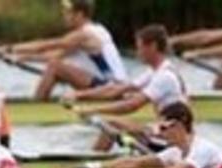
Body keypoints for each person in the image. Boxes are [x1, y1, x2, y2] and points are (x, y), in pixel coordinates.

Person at [65, 24, 188, 152]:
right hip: (162, 132)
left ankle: (91, 160)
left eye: (140, 47)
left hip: (173, 142)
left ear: (153, 47)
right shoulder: (153, 72)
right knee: (114, 124)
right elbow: (116, 89)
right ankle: (95, 157)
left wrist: (93, 110)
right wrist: (80, 94)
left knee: (111, 124)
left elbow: (132, 106)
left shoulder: (165, 76)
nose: (137, 52)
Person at [0, 0, 127, 101]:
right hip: (110, 87)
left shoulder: (85, 34)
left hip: (111, 89)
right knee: (55, 65)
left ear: (79, 14)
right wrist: (21, 58)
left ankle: (36, 108)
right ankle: (39, 103)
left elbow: (45, 45)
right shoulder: (96, 30)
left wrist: (8, 49)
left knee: (54, 66)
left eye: (68, 13)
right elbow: (53, 55)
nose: (64, 17)